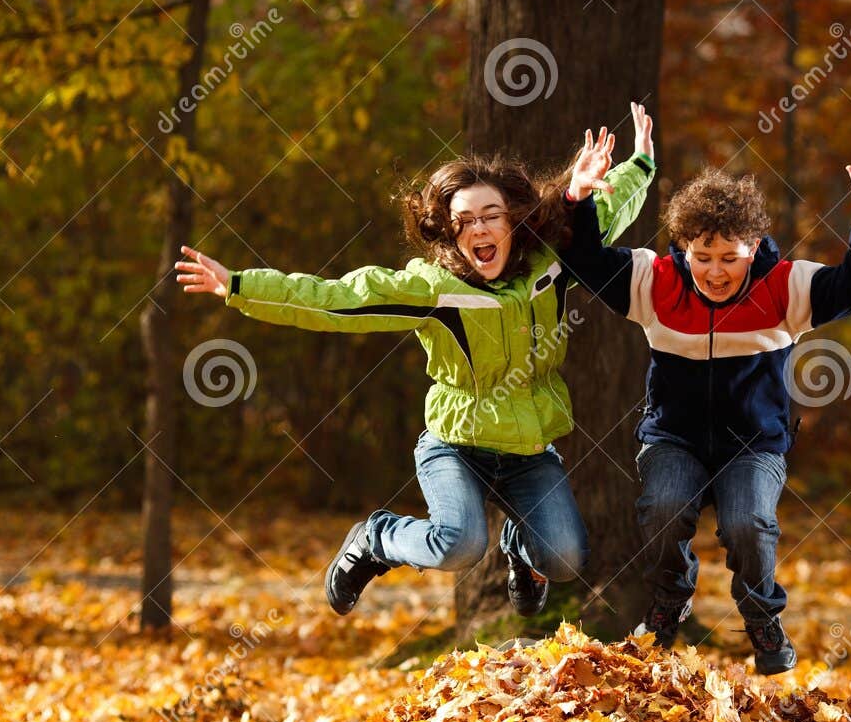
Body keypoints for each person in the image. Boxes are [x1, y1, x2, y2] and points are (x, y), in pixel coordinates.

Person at [174, 105, 656, 618]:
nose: (480, 229)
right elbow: (335, 300)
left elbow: (609, 208)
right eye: (464, 221)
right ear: (450, 233)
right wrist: (240, 286)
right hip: (455, 445)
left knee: (563, 559)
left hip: (528, 448)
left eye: (491, 216)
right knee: (460, 545)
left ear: (514, 220)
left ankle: (521, 547)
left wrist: (639, 165)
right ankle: (375, 538)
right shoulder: (433, 290)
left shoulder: (554, 261)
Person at [558, 144, 851, 673]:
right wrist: (578, 196)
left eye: (730, 258)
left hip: (755, 443)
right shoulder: (656, 282)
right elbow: (585, 260)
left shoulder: (785, 285)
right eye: (702, 257)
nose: (715, 272)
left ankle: (762, 619)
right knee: (664, 509)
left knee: (748, 525)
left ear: (755, 246)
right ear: (682, 248)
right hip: (673, 437)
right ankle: (670, 602)